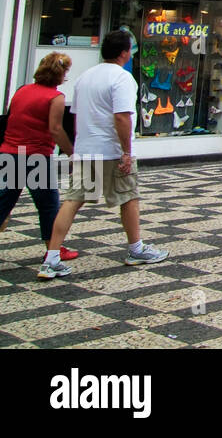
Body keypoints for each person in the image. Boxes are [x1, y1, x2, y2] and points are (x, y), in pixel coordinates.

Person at [39, 31, 169, 280]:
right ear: (123, 53)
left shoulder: (85, 77)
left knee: (72, 201)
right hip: (111, 150)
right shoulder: (122, 78)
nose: (130, 53)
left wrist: (78, 149)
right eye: (130, 49)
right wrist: (127, 152)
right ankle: (136, 249)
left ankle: (52, 257)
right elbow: (122, 117)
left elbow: (76, 117)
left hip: (87, 148)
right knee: (129, 197)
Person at [0, 53, 79, 264]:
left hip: (10, 153)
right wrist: (72, 152)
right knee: (48, 205)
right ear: (60, 74)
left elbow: (11, 118)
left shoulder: (21, 91)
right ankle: (53, 249)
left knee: (4, 201)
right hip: (36, 157)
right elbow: (55, 129)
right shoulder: (56, 98)